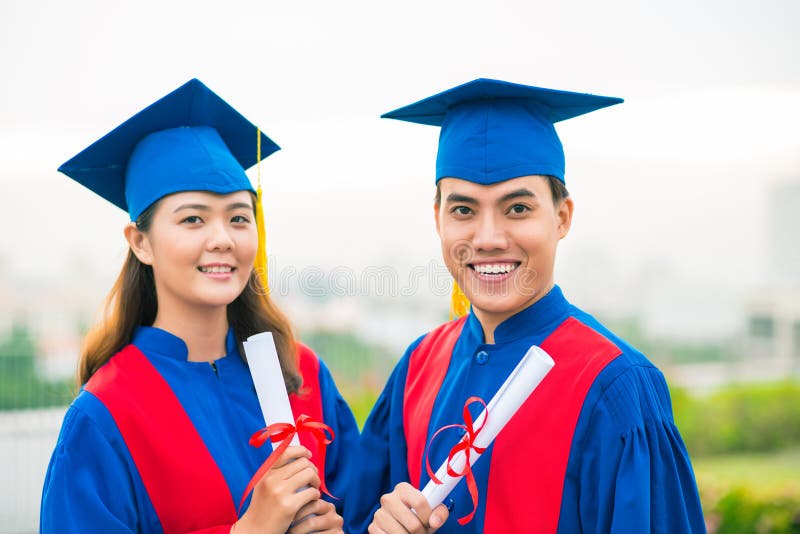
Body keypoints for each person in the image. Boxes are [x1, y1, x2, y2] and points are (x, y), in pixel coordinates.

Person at [344, 79, 706, 533]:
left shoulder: (615, 388)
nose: (489, 238)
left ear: (562, 217)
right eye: (463, 210)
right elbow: (354, 520)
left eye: (517, 208)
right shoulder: (418, 366)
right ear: (437, 218)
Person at [40, 79, 358, 534]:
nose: (222, 239)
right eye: (193, 219)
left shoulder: (302, 374)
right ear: (141, 242)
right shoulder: (106, 414)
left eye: (238, 217)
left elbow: (362, 510)